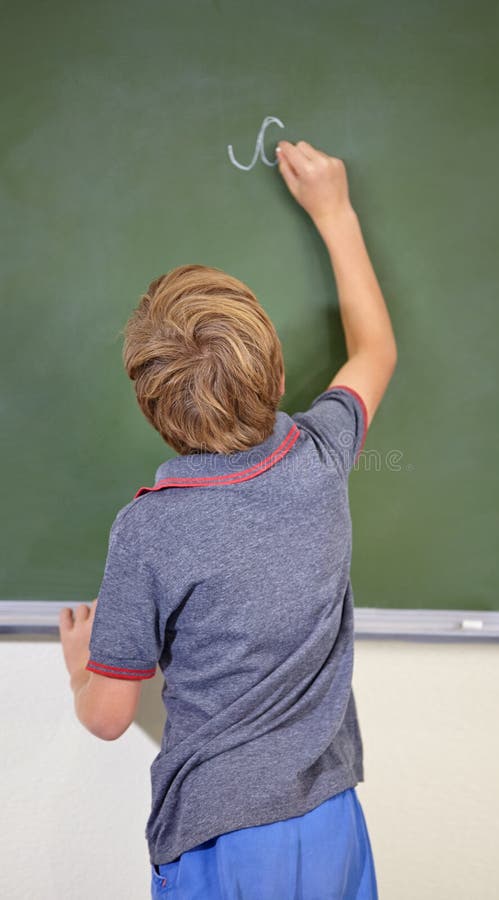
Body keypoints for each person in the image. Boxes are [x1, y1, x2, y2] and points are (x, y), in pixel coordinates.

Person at [59, 139, 397, 899]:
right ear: (279, 374)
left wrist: (84, 666)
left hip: (222, 841)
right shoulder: (320, 456)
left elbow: (110, 717)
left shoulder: (148, 531)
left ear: (152, 408)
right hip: (332, 817)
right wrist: (336, 212)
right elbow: (375, 349)